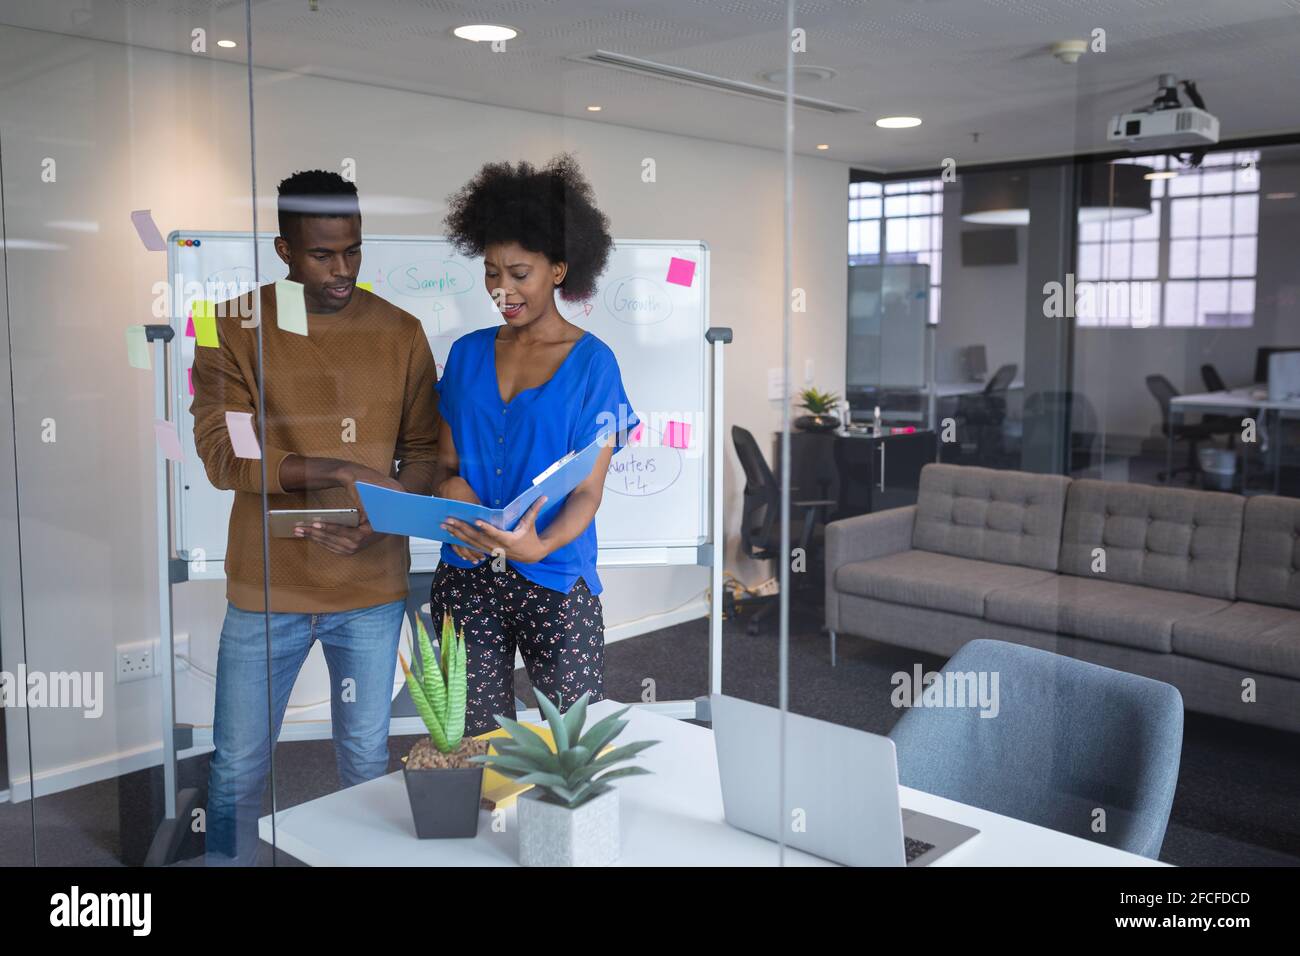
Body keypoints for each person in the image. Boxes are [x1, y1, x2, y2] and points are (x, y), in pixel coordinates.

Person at [190, 170, 440, 865]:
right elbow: (227, 454)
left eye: (353, 252)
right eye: (322, 255)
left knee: (364, 764)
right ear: (283, 249)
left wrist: (382, 515)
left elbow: (422, 452)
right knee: (237, 766)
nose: (342, 271)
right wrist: (337, 470)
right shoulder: (232, 328)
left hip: (368, 589)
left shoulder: (401, 331)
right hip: (268, 589)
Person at [431, 154, 638, 735]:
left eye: (519, 273)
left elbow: (587, 494)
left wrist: (535, 545)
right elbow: (444, 465)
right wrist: (462, 499)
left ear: (559, 269)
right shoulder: (467, 353)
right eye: (492, 272)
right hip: (468, 572)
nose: (502, 289)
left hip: (556, 576)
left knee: (569, 747)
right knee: (474, 740)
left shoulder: (595, 364)